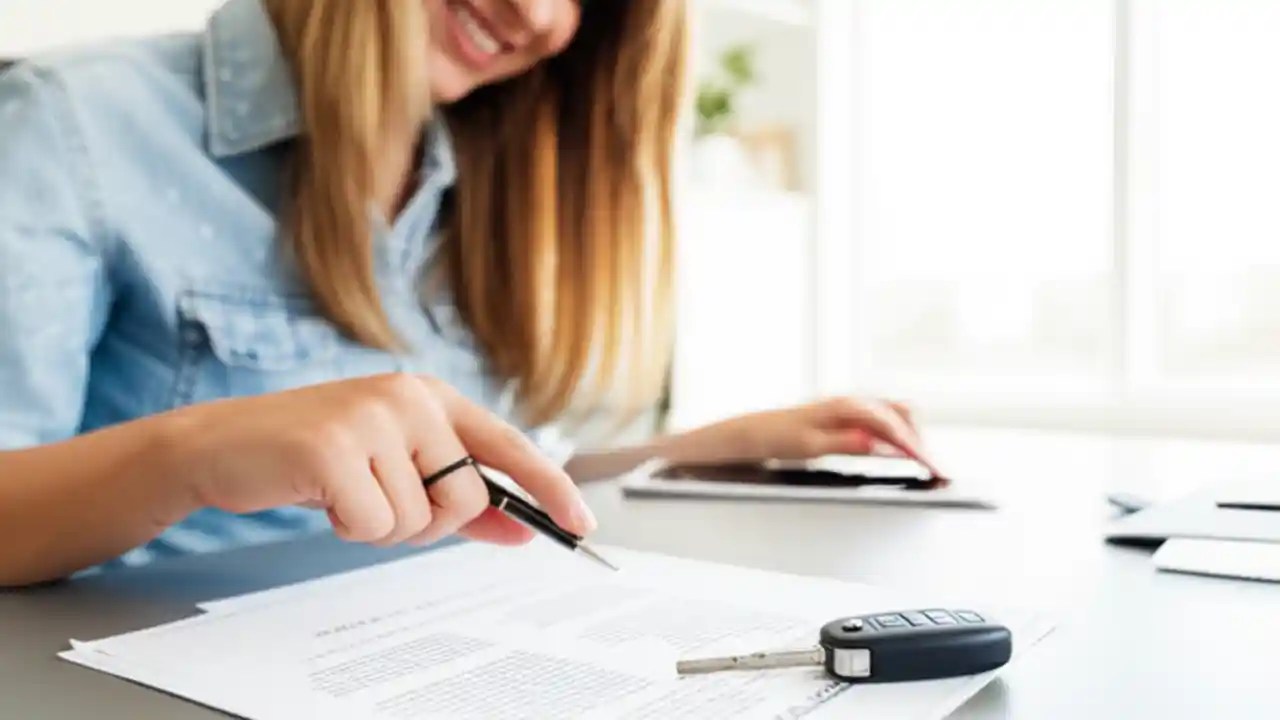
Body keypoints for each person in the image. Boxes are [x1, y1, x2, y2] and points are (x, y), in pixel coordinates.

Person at [0, 0, 937, 588]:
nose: (536, 14)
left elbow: (466, 479)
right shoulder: (73, 119)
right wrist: (193, 454)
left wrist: (707, 450)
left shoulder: (481, 187)